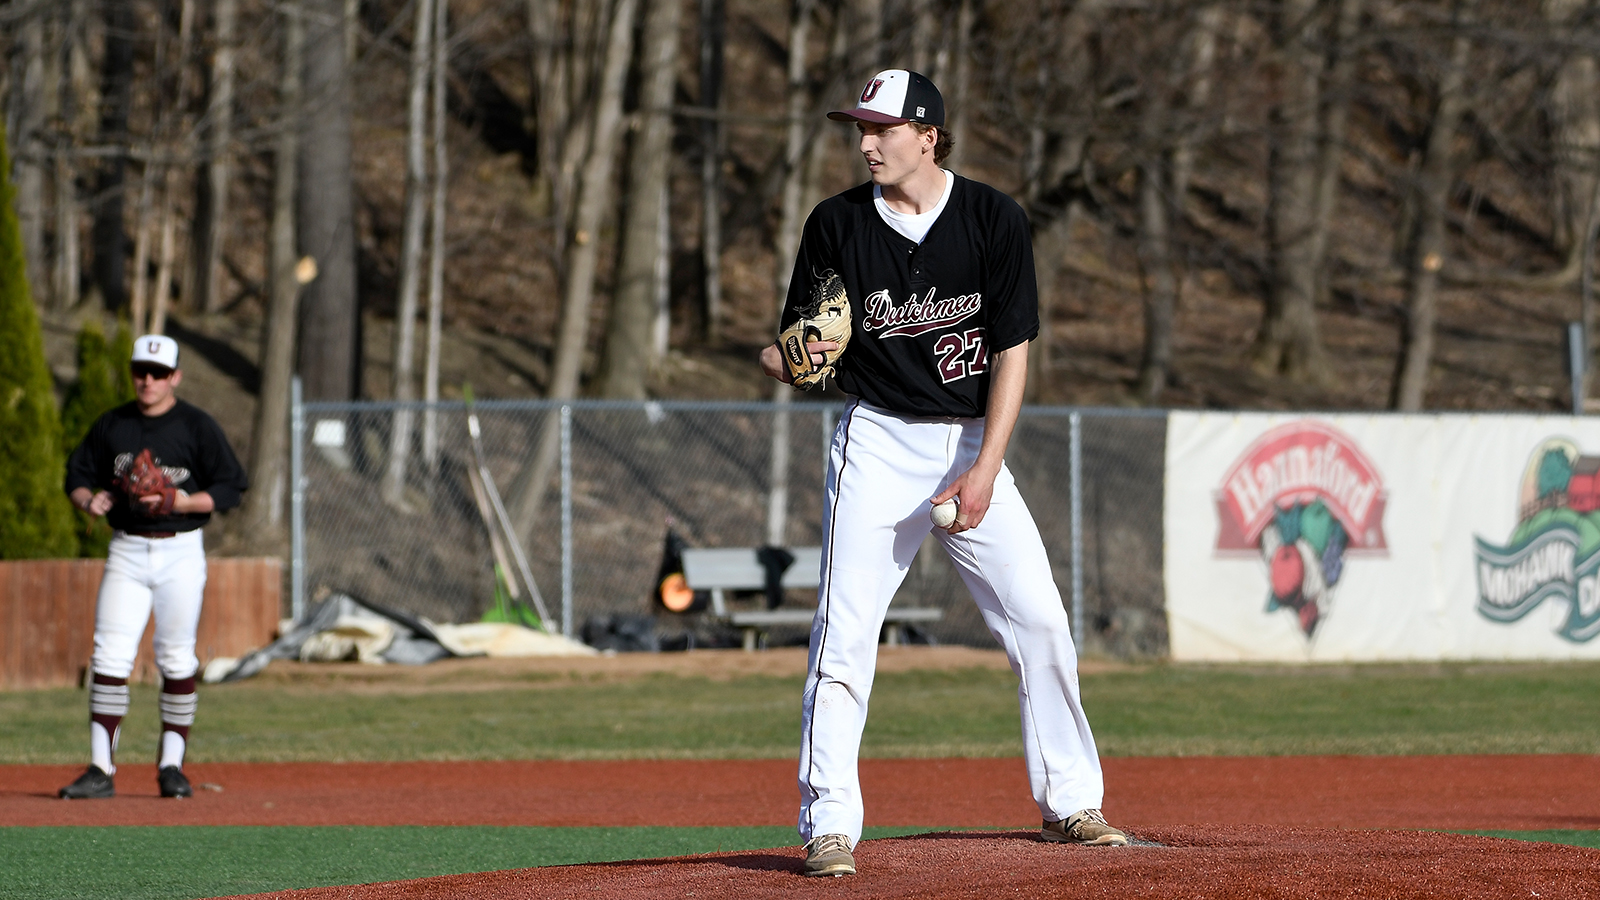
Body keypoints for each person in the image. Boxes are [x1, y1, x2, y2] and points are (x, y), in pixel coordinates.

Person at [759, 69, 1128, 877]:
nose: (866, 143)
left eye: (882, 128)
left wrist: (986, 469)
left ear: (928, 136)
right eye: (860, 128)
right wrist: (788, 358)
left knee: (1040, 621)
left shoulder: (993, 218)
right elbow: (804, 345)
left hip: (970, 443)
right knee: (844, 635)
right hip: (878, 441)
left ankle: (1071, 803)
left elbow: (1012, 353)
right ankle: (829, 826)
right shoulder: (836, 223)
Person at [58, 334, 248, 800]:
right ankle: (100, 768)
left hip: (180, 550)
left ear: (175, 377)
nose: (148, 380)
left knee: (177, 656)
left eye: (159, 373)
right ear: (133, 373)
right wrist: (88, 500)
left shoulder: (196, 426)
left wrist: (184, 501)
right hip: (127, 548)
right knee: (109, 655)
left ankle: (171, 767)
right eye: (141, 371)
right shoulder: (113, 424)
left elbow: (231, 487)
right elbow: (77, 475)